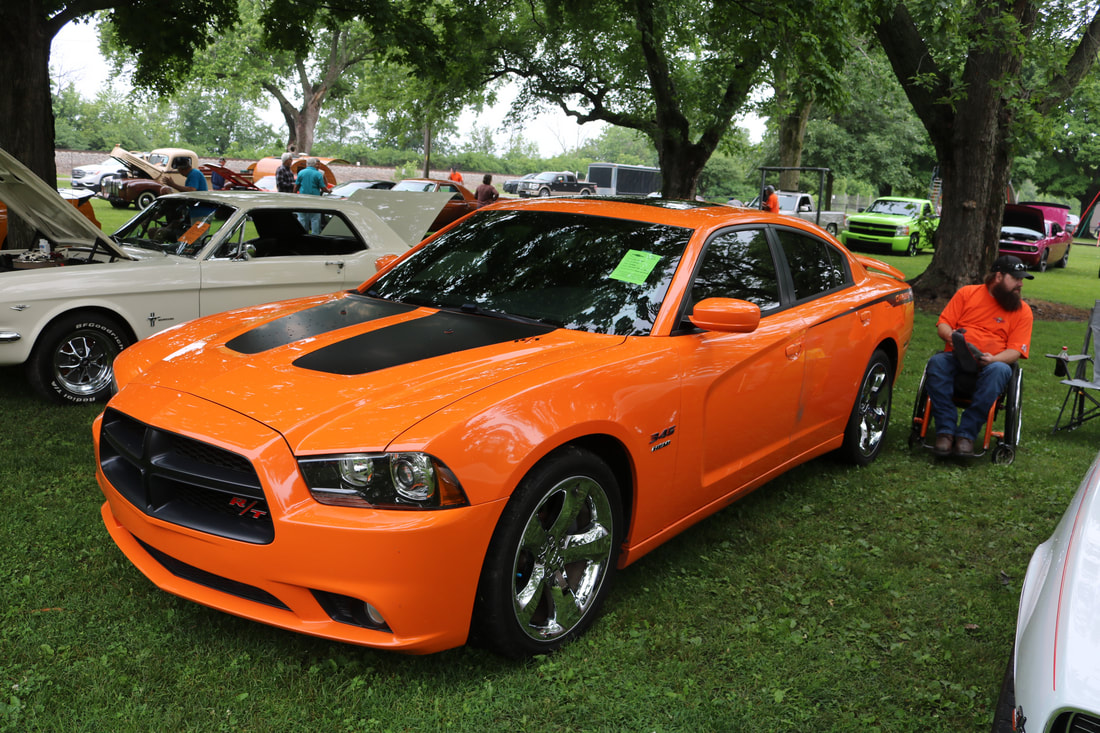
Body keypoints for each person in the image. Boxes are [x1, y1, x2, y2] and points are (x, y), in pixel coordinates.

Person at [925, 255, 1034, 457]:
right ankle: (945, 432)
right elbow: (944, 324)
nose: (1020, 284)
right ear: (999, 276)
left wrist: (994, 359)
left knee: (1000, 370)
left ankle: (966, 434)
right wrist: (953, 338)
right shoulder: (967, 294)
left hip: (991, 364)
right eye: (1016, 278)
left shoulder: (1023, 311)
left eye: (1022, 280)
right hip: (958, 357)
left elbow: (1016, 351)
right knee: (937, 362)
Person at [294, 157, 330, 234]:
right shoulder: (318, 174)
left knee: (302, 218)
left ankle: (302, 234)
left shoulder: (301, 173)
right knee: (315, 218)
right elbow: (323, 187)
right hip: (314, 199)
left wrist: (293, 195)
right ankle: (315, 234)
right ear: (314, 164)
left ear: (307, 164)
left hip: (302, 198)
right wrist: (328, 191)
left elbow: (296, 186)